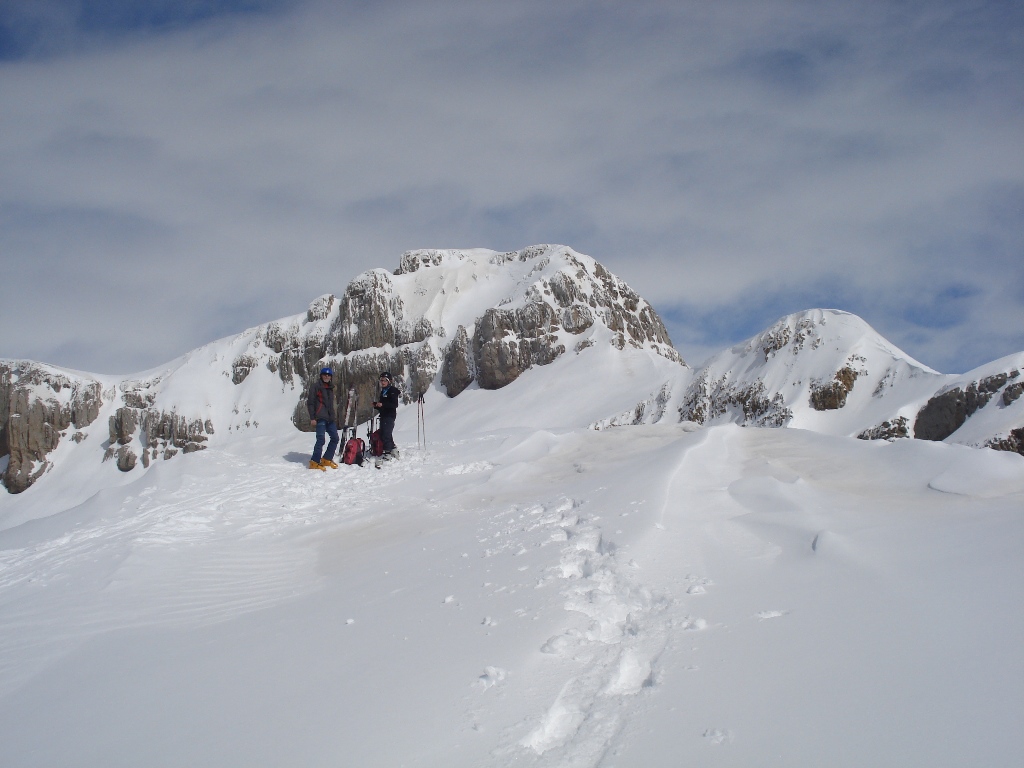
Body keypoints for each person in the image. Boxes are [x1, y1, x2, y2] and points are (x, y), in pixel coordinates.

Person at [307, 367, 340, 470]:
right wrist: (312, 417)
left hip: (330, 418)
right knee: (321, 439)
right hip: (320, 417)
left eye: (328, 375)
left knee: (335, 438)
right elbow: (310, 402)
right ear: (321, 376)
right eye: (325, 374)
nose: (326, 376)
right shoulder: (316, 386)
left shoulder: (330, 388)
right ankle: (314, 461)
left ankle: (326, 458)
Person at [373, 371, 400, 460]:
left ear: (389, 381)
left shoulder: (392, 391)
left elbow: (394, 405)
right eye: (381, 380)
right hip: (384, 415)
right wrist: (377, 406)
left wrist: (382, 405)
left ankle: (387, 452)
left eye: (384, 380)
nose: (382, 382)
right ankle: (393, 448)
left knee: (386, 434)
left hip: (389, 416)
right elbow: (383, 405)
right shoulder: (383, 391)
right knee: (385, 433)